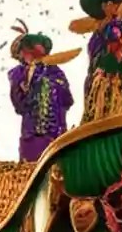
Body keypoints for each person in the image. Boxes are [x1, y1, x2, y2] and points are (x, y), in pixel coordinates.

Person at [8, 22, 74, 161]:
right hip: (32, 135)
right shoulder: (19, 73)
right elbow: (18, 103)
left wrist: (49, 84)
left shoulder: (54, 71)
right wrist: (29, 83)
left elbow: (67, 98)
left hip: (57, 133)